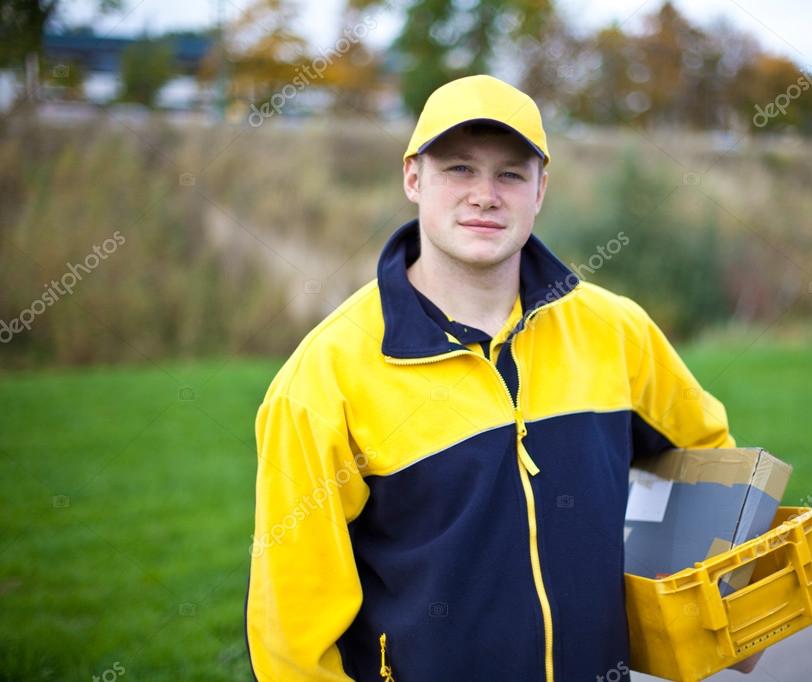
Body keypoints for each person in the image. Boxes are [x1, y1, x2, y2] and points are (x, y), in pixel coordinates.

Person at [246, 74, 743, 681]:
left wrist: (704, 607)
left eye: (510, 173)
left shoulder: (617, 332)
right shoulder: (323, 379)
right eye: (458, 168)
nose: (485, 195)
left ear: (541, 189)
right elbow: (292, 636)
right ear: (412, 178)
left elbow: (712, 464)